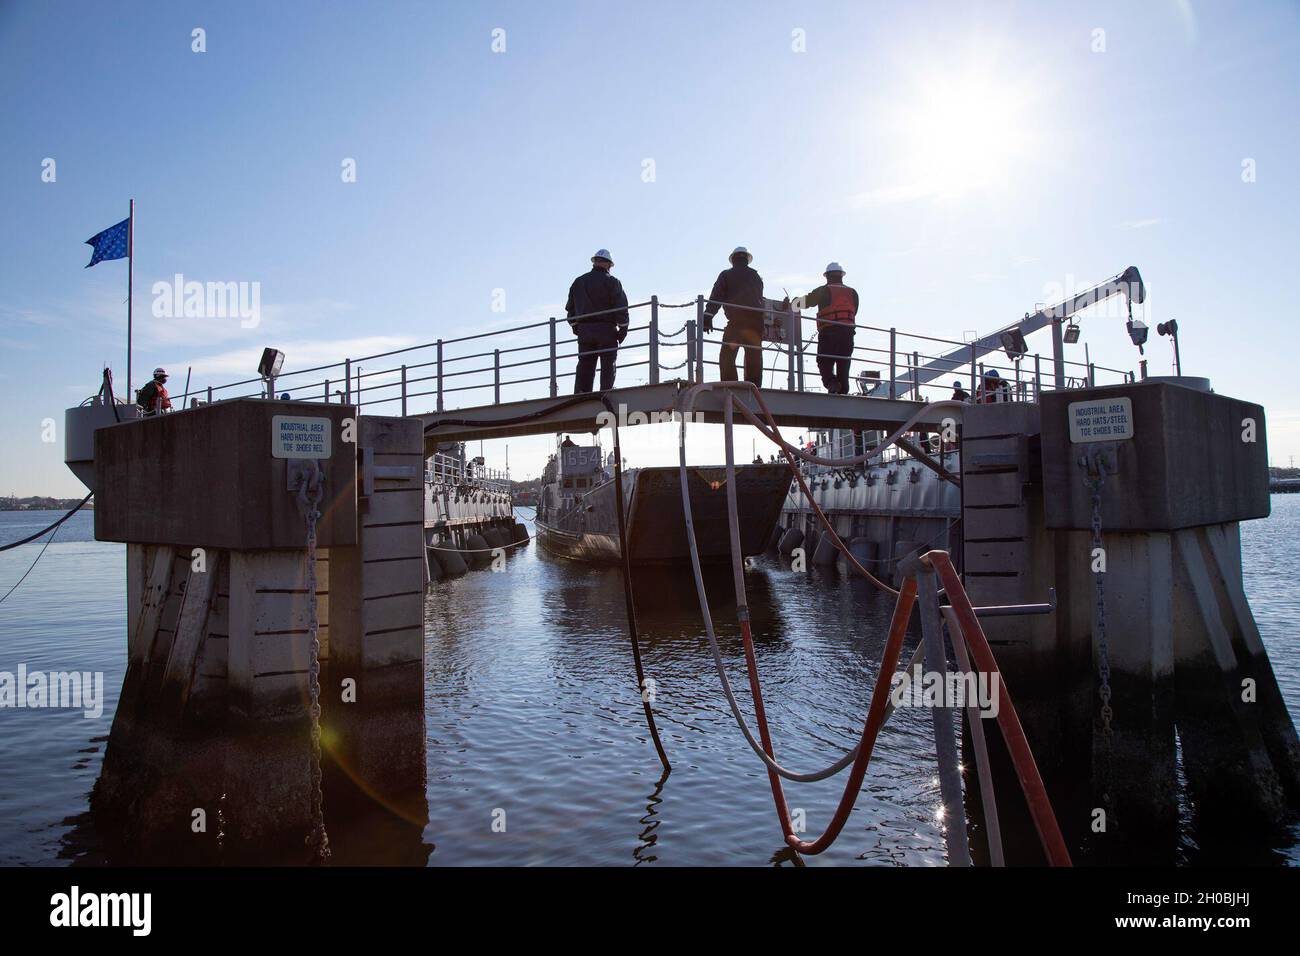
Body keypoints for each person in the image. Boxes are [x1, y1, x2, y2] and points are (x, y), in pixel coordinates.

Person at [565, 249, 629, 393]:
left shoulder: (578, 282)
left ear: (595, 262)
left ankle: (581, 395)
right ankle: (605, 394)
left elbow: (570, 309)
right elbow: (621, 308)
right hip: (606, 330)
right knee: (608, 364)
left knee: (585, 365)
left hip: (585, 331)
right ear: (608, 264)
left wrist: (576, 327)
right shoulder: (612, 282)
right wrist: (623, 330)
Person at [791, 262, 858, 394]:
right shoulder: (853, 293)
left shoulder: (824, 290)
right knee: (843, 366)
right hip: (848, 334)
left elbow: (807, 301)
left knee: (824, 362)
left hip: (829, 333)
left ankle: (832, 383)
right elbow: (854, 311)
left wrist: (793, 303)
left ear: (827, 276)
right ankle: (843, 391)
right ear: (841, 276)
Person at [703, 246, 765, 386]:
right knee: (754, 358)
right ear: (747, 259)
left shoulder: (726, 275)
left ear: (733, 260)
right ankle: (753, 387)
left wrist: (708, 315)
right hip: (755, 323)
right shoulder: (756, 277)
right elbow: (759, 298)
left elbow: (717, 296)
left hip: (737, 323)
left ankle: (731, 386)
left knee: (727, 357)